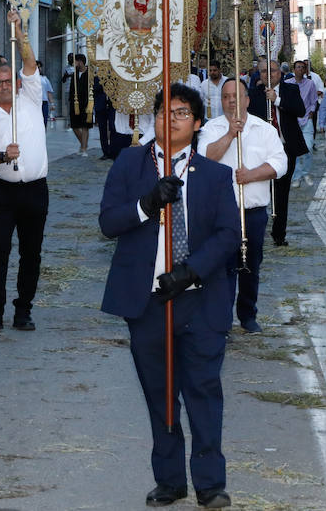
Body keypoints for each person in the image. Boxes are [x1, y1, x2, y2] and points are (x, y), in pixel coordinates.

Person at [99, 82, 240, 509]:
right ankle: (170, 480)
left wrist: (190, 271)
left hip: (198, 301)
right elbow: (108, 221)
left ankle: (211, 483)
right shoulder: (129, 163)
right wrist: (145, 204)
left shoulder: (215, 175)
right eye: (164, 111)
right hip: (148, 303)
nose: (170, 119)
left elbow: (229, 235)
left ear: (197, 123)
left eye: (181, 113)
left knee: (202, 391)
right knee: (160, 395)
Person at [0, 11, 49, 332]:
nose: (4, 86)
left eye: (9, 81)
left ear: (17, 82)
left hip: (35, 189)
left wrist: (17, 30)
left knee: (31, 252)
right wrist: (4, 155)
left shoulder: (30, 98)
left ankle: (24, 309)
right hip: (4, 191)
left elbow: (30, 62)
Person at [197, 80, 286, 334]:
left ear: (248, 99)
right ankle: (222, 320)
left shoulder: (264, 129)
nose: (231, 101)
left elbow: (280, 164)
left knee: (251, 266)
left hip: (254, 211)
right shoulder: (211, 129)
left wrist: (252, 175)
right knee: (222, 268)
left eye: (237, 96)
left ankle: (248, 315)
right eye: (226, 97)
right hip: (221, 214)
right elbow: (205, 158)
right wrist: (229, 135)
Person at [265, 64, 307, 248]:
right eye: (264, 71)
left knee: (282, 190)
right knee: (264, 190)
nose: (269, 74)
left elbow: (300, 110)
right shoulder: (254, 92)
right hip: (263, 150)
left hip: (285, 146)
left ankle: (279, 233)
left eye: (273, 71)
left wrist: (277, 100)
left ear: (280, 73)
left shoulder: (290, 88)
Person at [291, 61, 319, 185]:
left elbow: (314, 100)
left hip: (307, 118)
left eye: (303, 68)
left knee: (308, 147)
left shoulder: (310, 83)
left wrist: (312, 112)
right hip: (293, 120)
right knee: (295, 149)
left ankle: (306, 173)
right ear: (294, 69)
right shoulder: (287, 84)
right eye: (298, 67)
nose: (301, 70)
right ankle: (296, 176)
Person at [64, 53, 96, 155]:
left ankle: (83, 148)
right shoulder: (74, 74)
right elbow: (72, 88)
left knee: (85, 126)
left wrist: (90, 102)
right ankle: (84, 144)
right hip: (75, 103)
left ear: (81, 62)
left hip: (87, 103)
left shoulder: (90, 74)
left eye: (76, 61)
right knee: (74, 126)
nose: (74, 64)